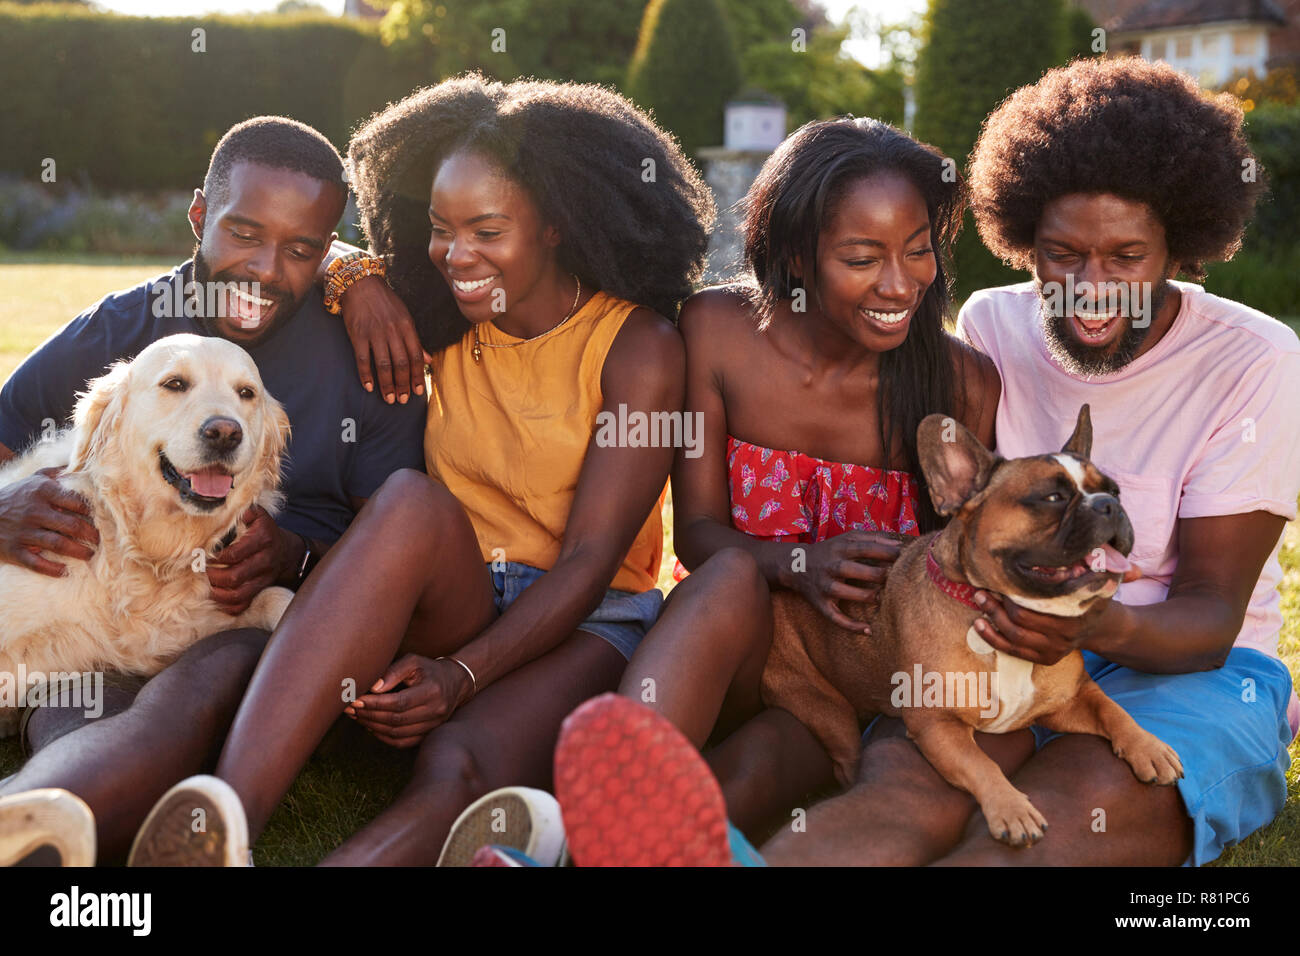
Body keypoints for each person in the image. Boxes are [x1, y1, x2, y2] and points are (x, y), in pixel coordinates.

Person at [544, 56, 1300, 868]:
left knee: (1058, 819)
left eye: (1126, 257)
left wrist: (1080, 624)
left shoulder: (1253, 360)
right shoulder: (996, 327)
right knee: (903, 791)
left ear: (1180, 249)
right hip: (986, 643)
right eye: (1062, 254)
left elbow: (1211, 619)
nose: (1090, 288)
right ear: (1022, 245)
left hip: (1177, 667)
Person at [123, 73, 715, 866]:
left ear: (555, 227)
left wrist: (461, 677)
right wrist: (358, 277)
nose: (456, 254)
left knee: (457, 761)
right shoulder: (437, 311)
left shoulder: (640, 347)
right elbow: (308, 244)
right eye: (440, 228)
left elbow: (588, 565)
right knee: (407, 500)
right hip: (456, 589)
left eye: (486, 230)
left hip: (583, 617)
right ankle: (222, 825)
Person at [450, 115, 1002, 860]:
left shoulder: (959, 380)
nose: (899, 284)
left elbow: (965, 567)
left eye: (917, 251)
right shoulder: (717, 329)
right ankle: (611, 783)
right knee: (736, 573)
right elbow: (702, 531)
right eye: (863, 257)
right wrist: (803, 565)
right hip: (731, 641)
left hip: (852, 682)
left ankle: (574, 851)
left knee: (748, 774)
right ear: (797, 258)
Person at [0, 116, 426, 865]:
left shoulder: (369, 356)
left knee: (208, 672)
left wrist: (295, 558)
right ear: (199, 216)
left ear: (328, 249)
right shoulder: (123, 330)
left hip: (250, 622)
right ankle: (40, 828)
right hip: (101, 613)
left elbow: (391, 561)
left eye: (302, 250)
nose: (264, 271)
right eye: (242, 234)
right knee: (81, 707)